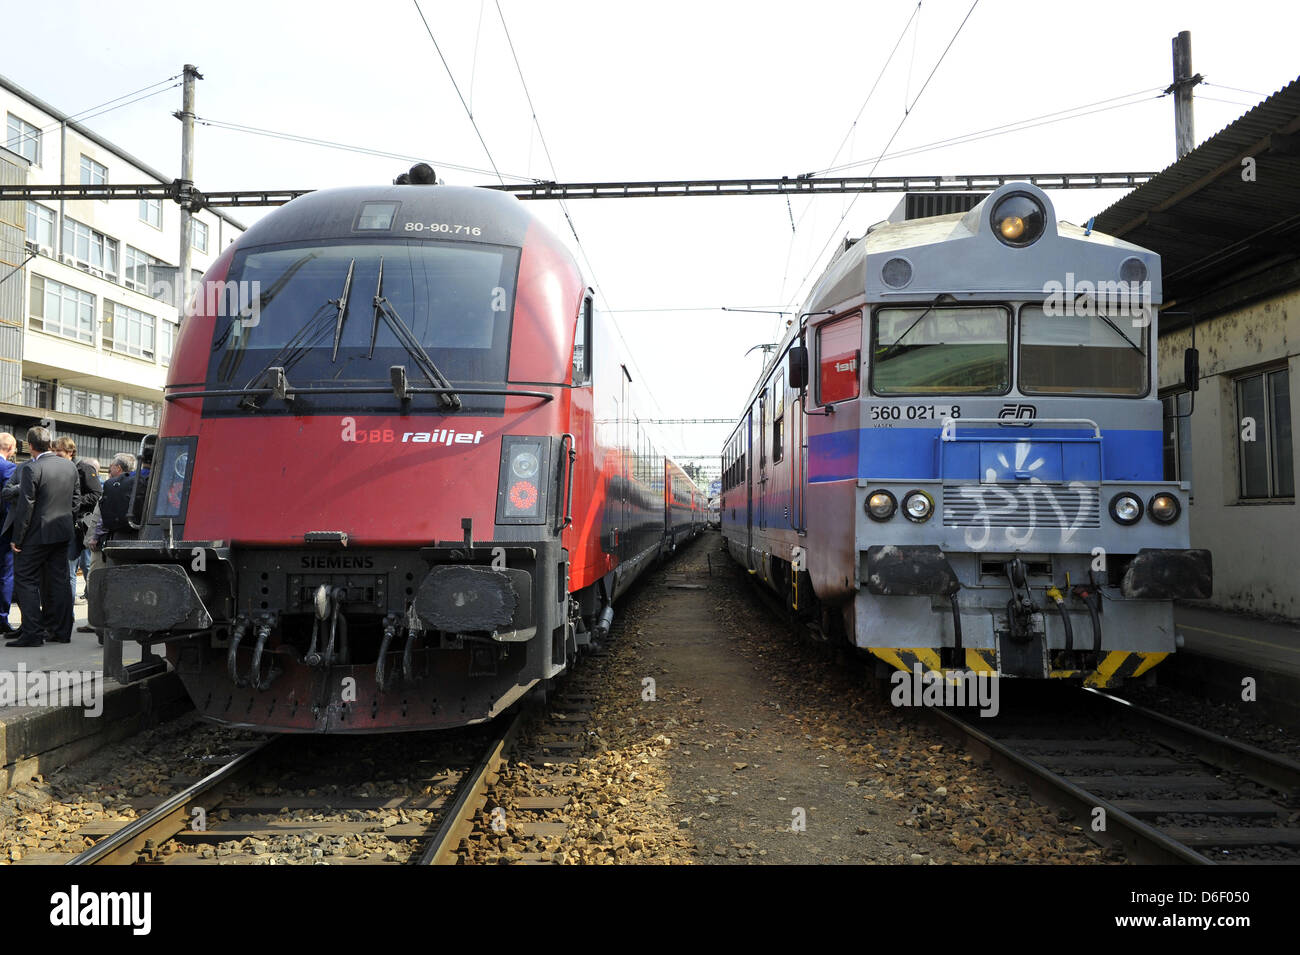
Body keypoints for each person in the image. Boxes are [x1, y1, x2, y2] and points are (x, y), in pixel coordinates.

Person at [4, 427, 80, 647]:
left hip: (36, 535)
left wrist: (18, 538)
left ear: (30, 445)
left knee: (25, 579)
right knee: (60, 581)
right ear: (49, 443)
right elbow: (75, 500)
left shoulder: (32, 469)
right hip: (62, 532)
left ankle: (32, 633)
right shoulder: (69, 466)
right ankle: (62, 631)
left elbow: (26, 506)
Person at [53, 437, 101, 605]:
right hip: (64, 524)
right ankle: (67, 612)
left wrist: (74, 500)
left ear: (70, 452)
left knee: (81, 568)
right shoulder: (57, 470)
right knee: (69, 569)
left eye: (58, 453)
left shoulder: (84, 469)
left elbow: (97, 494)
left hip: (80, 526)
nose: (55, 456)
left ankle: (87, 609)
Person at [0, 433, 15, 635]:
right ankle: (1, 619)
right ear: (11, 449)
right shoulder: (9, 469)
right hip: (2, 530)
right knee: (5, 574)